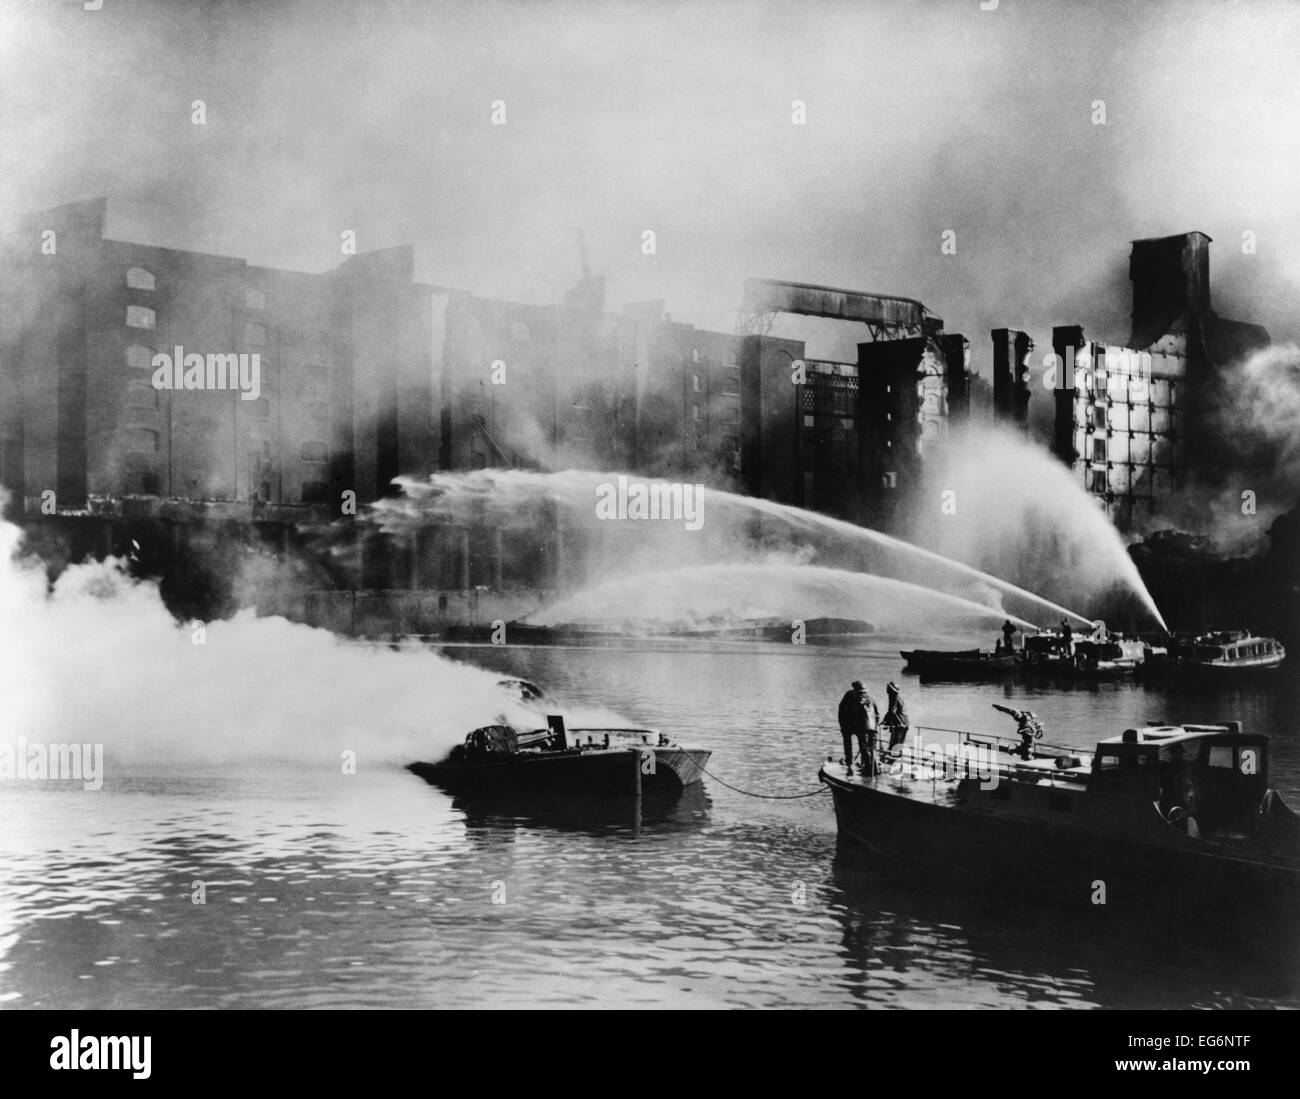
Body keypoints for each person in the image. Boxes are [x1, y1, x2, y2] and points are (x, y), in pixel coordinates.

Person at [837, 680, 880, 774]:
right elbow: (877, 714)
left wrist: (844, 725)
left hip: (860, 726)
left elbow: (846, 712)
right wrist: (875, 725)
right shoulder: (870, 698)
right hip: (872, 727)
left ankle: (854, 765)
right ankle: (872, 768)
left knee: (862, 747)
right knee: (870, 748)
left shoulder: (853, 698)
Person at [881, 682, 910, 759]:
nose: (886, 690)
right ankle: (896, 759)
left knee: (895, 746)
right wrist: (885, 720)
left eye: (888, 688)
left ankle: (894, 761)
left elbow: (892, 711)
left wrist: (886, 722)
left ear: (891, 690)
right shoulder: (896, 697)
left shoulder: (894, 698)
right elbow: (891, 712)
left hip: (900, 724)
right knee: (897, 745)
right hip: (903, 723)